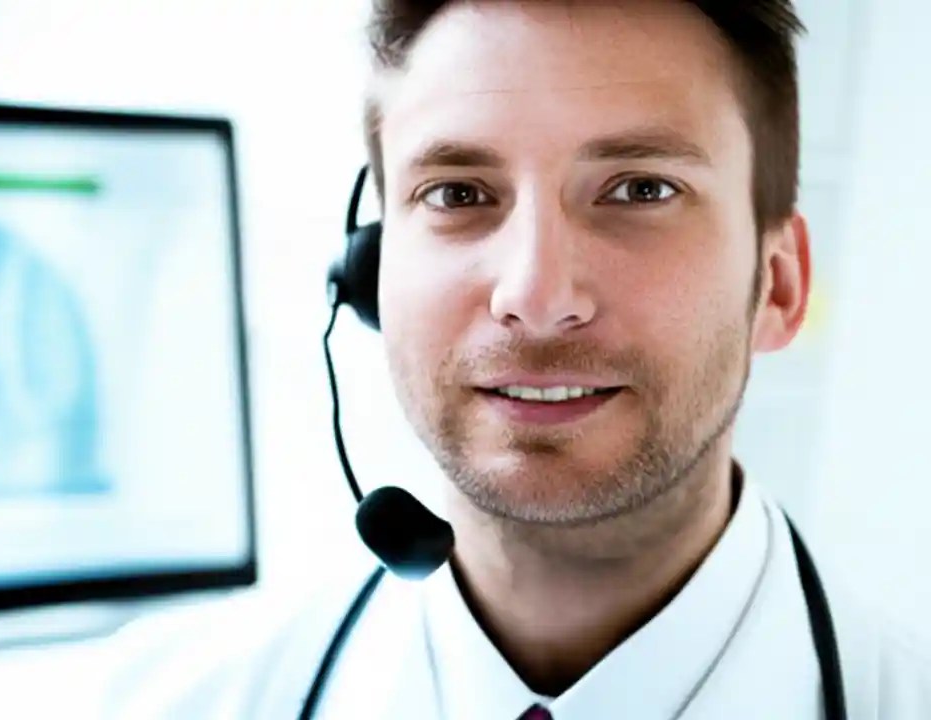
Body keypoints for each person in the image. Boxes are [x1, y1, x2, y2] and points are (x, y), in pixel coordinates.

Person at [87, 1, 931, 717]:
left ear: (778, 286)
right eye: (458, 194)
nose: (533, 292)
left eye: (641, 189)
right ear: (371, 276)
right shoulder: (159, 700)